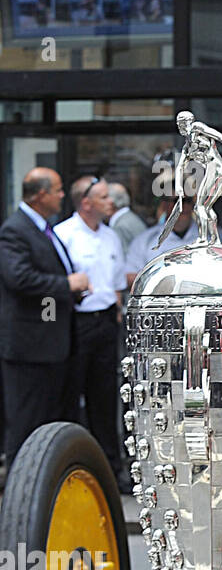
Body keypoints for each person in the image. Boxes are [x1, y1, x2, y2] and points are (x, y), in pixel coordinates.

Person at [0, 169, 89, 464]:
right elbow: (20, 280)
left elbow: (44, 297)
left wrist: (66, 297)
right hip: (29, 350)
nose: (62, 196)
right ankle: (19, 494)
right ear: (40, 195)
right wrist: (67, 285)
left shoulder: (43, 229)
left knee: (51, 422)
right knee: (27, 424)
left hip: (52, 343)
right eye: (58, 190)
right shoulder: (16, 229)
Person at [56, 176, 129, 492]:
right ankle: (69, 464)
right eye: (103, 196)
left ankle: (110, 468)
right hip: (76, 322)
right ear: (86, 202)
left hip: (105, 322)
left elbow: (116, 284)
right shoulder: (64, 235)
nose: (110, 201)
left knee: (105, 396)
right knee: (71, 393)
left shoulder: (111, 236)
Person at [126, 196, 203, 288]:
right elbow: (130, 277)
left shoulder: (211, 236)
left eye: (187, 201)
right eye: (177, 201)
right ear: (165, 204)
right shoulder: (145, 240)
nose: (183, 206)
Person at [107, 182, 148, 250]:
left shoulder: (120, 226)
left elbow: (123, 257)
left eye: (104, 197)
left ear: (111, 202)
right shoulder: (131, 217)